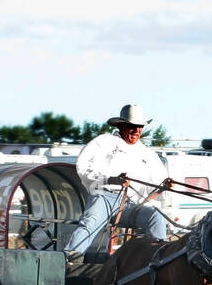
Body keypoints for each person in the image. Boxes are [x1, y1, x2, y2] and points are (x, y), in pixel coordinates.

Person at [63, 103, 172, 258]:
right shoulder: (104, 143)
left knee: (155, 216)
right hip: (104, 197)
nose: (136, 131)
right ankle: (69, 259)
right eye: (131, 126)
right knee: (90, 223)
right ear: (121, 126)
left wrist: (163, 187)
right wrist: (111, 179)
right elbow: (84, 167)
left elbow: (152, 190)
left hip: (131, 204)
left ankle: (157, 259)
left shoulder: (148, 155)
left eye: (139, 126)